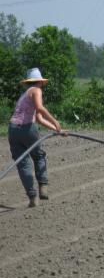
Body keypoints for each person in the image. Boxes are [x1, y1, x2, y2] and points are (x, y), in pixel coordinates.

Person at [7, 68, 66, 207]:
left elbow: (38, 118)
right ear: (40, 82)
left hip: (12, 131)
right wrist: (55, 121)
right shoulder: (36, 90)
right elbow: (40, 109)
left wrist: (58, 130)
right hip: (27, 129)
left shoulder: (24, 95)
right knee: (39, 156)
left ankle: (32, 196)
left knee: (22, 164)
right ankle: (43, 185)